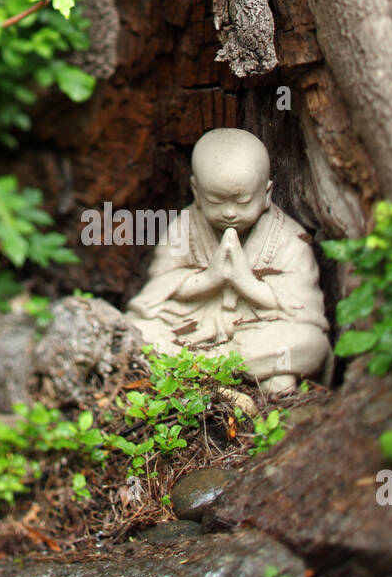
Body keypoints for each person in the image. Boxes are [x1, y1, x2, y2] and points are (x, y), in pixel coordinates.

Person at [126, 128, 330, 392]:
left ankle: (197, 372)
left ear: (267, 194)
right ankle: (249, 373)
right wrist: (210, 279)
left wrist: (246, 282)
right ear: (196, 192)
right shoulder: (183, 228)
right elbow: (157, 293)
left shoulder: (289, 237)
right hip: (190, 330)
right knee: (135, 330)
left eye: (243, 201)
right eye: (216, 201)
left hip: (256, 334)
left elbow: (303, 307)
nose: (230, 213)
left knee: (310, 341)